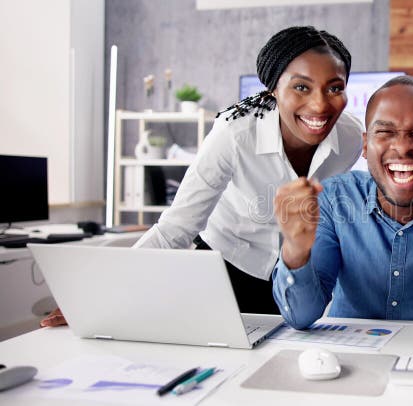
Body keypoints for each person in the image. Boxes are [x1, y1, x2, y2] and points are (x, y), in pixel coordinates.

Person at [40, 26, 362, 326]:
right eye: (301, 86)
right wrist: (99, 298)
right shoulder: (235, 134)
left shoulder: (349, 138)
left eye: (335, 88)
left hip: (296, 276)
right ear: (274, 88)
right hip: (224, 270)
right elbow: (174, 229)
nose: (320, 104)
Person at [271, 76, 413, 338]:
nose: (403, 147)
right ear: (365, 145)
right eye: (385, 132)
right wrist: (294, 249)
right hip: (349, 360)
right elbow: (300, 317)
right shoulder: (334, 201)